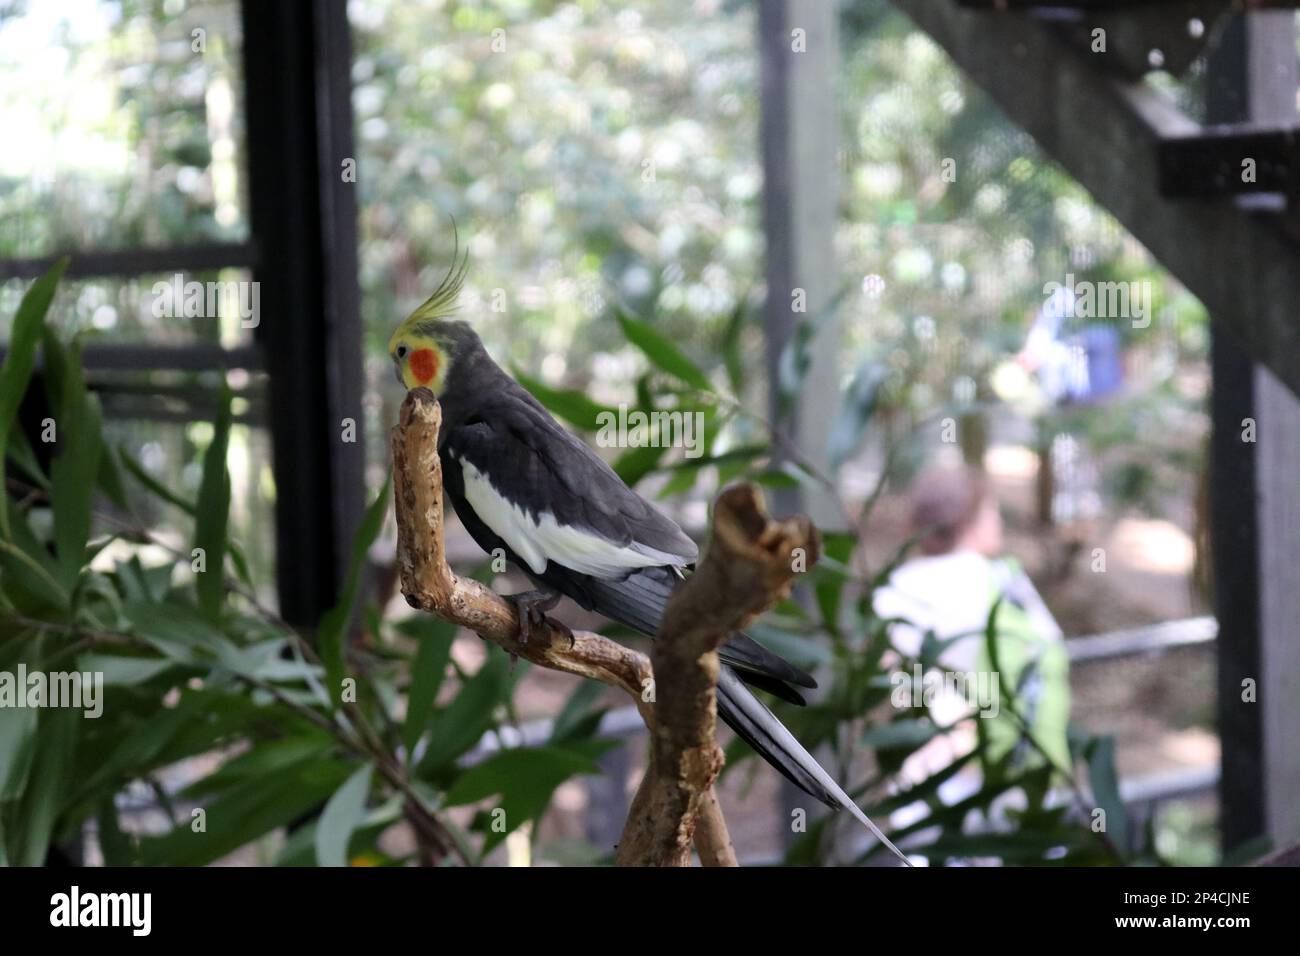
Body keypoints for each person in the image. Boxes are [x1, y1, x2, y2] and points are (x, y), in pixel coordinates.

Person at [873, 463, 1072, 789]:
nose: (999, 522)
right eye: (993, 511)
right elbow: (1050, 651)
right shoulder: (1002, 581)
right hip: (1012, 780)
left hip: (926, 778)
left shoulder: (891, 592)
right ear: (971, 521)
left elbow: (894, 687)